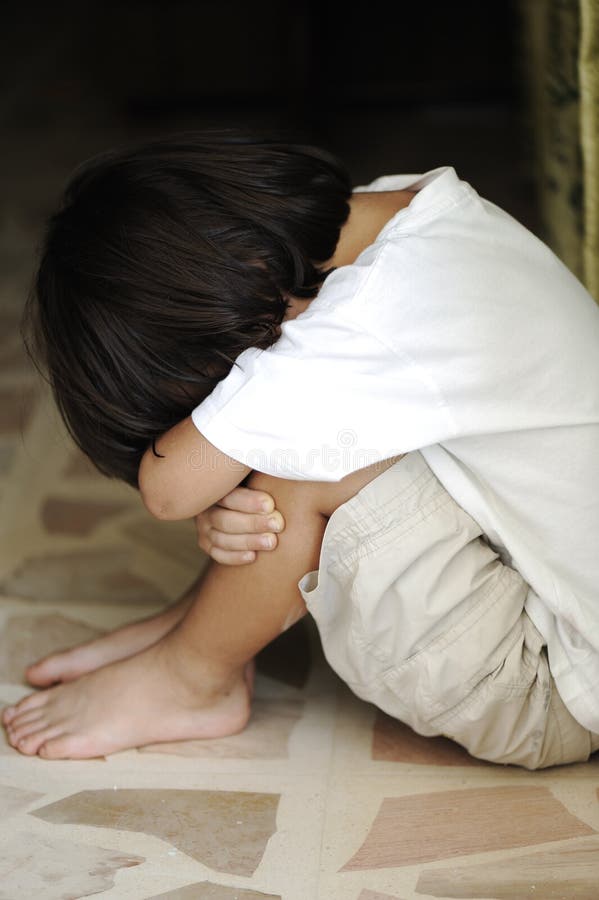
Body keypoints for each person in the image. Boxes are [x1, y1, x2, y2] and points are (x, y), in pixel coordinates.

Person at [3, 130, 599, 768]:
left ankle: (190, 677)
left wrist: (226, 483)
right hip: (561, 618)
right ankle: (197, 622)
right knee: (292, 430)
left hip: (551, 689)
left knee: (304, 466)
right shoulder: (403, 216)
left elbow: (169, 487)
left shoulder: (366, 317)